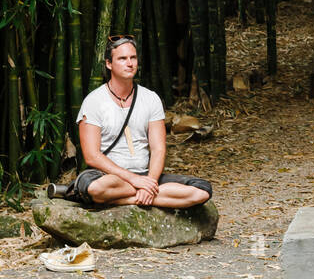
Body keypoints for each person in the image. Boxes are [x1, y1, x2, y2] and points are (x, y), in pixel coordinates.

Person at [49, 35, 211, 209]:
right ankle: (136, 197)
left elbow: (158, 149)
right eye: (122, 58)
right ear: (109, 64)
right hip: (109, 178)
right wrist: (135, 181)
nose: (130, 63)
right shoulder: (94, 101)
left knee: (202, 190)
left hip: (145, 175)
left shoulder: (150, 98)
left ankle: (123, 199)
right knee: (93, 187)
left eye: (133, 58)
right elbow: (92, 156)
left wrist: (149, 183)